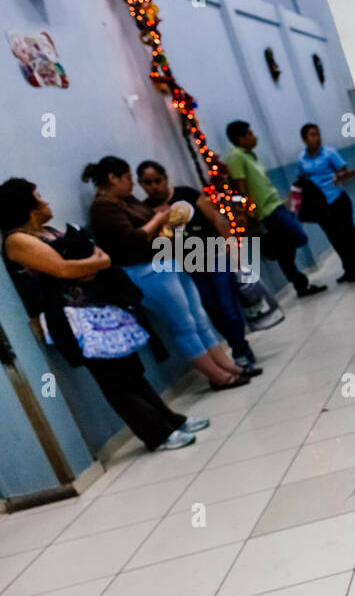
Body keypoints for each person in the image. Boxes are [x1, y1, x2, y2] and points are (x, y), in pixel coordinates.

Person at [1, 177, 206, 451]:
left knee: (132, 372)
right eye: (38, 195)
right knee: (115, 382)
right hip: (74, 319)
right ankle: (155, 434)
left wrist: (91, 264)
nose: (45, 200)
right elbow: (63, 269)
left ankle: (171, 420)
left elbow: (100, 256)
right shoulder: (17, 240)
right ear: (26, 204)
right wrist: (91, 263)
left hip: (99, 310)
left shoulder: (47, 232)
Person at [83, 156, 250, 390]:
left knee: (198, 317)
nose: (133, 184)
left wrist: (165, 223)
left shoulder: (127, 200)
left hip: (168, 261)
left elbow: (153, 224)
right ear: (112, 178)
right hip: (147, 271)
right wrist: (160, 219)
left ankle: (227, 365)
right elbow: (134, 238)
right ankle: (217, 376)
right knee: (183, 324)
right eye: (129, 178)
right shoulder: (103, 209)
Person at [137, 160, 260, 372]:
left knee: (227, 306)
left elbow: (216, 219)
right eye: (147, 183)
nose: (153, 186)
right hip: (187, 266)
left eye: (157, 180)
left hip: (214, 255)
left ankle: (240, 350)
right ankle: (238, 346)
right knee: (210, 308)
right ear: (141, 184)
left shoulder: (187, 194)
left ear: (166, 178)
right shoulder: (147, 210)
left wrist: (234, 250)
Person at [225, 120, 327, 299]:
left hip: (275, 204)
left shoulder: (250, 155)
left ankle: (300, 285)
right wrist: (247, 213)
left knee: (285, 250)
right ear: (240, 138)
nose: (254, 136)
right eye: (249, 134)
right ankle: (286, 264)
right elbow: (241, 188)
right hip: (267, 211)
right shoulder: (236, 157)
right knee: (298, 237)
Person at [297, 123, 355, 283]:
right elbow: (302, 179)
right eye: (312, 135)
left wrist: (340, 175)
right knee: (335, 240)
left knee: (349, 236)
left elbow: (343, 169)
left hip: (337, 201)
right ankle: (349, 269)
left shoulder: (330, 153)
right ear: (304, 139)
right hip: (320, 207)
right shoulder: (302, 159)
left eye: (318, 134)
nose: (317, 138)